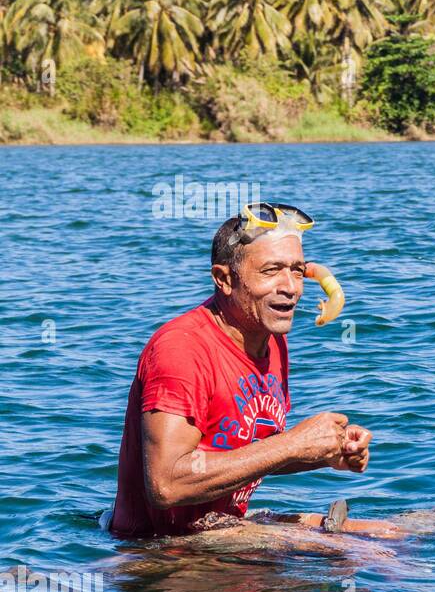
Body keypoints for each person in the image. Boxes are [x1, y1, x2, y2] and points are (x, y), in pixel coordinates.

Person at [110, 203, 380, 537]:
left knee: (417, 528)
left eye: (297, 270)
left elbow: (245, 449)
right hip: (165, 554)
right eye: (271, 271)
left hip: (226, 531)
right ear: (224, 279)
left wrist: (325, 453)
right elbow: (166, 484)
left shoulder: (269, 338)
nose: (291, 287)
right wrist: (294, 444)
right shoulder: (182, 349)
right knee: (372, 555)